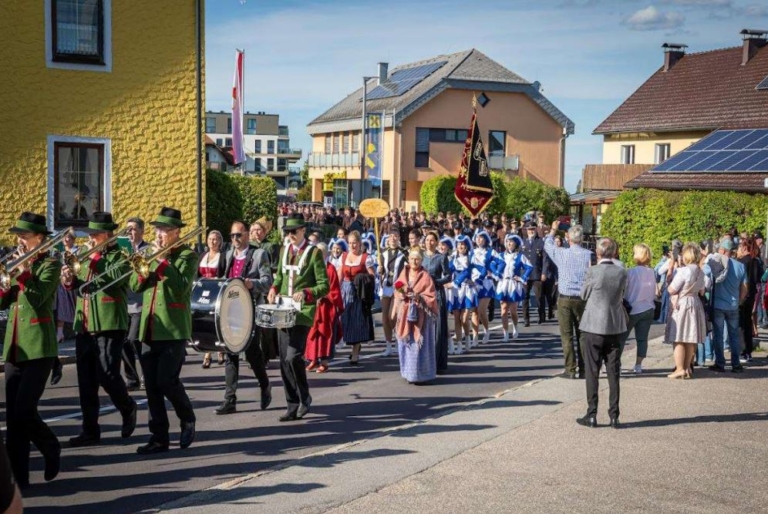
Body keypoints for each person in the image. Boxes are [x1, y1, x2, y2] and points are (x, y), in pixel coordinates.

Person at [0, 212, 62, 487]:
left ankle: (50, 445)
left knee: (25, 410)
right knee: (14, 418)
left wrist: (24, 271)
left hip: (39, 346)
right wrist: (4, 286)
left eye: (24, 236)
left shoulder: (51, 264)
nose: (19, 241)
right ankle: (18, 478)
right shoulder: (15, 264)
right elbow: (4, 303)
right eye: (18, 236)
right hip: (15, 347)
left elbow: (38, 299)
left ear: (39, 238)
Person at [66, 212, 138, 448]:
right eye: (90, 234)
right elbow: (80, 285)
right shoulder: (85, 256)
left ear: (108, 235)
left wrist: (95, 258)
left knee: (107, 375)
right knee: (86, 381)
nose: (91, 238)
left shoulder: (121, 256)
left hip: (109, 323)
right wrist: (69, 280)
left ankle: (127, 406)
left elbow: (115, 279)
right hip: (85, 323)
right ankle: (90, 430)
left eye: (95, 234)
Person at [129, 207, 197, 454]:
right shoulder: (148, 253)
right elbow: (134, 285)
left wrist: (161, 261)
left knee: (166, 381)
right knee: (151, 387)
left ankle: (187, 417)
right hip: (149, 327)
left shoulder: (188, 256)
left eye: (165, 230)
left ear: (177, 232)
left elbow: (180, 287)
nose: (159, 234)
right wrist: (143, 270)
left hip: (173, 329)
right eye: (157, 229)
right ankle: (159, 437)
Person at [267, 214, 329, 421]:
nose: (290, 235)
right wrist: (274, 288)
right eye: (287, 232)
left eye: (294, 231)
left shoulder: (314, 253)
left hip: (303, 312)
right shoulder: (284, 250)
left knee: (293, 356)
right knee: (284, 360)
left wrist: (307, 292)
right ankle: (292, 404)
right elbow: (279, 277)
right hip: (283, 309)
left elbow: (324, 285)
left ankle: (304, 396)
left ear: (303, 230)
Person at [215, 221, 273, 415]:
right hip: (230, 311)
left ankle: (264, 385)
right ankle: (229, 399)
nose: (235, 239)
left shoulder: (259, 254)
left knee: (252, 353)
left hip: (250, 310)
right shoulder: (227, 255)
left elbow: (267, 282)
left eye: (239, 235)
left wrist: (251, 284)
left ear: (247, 235)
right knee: (230, 352)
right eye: (232, 236)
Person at [577, 238, 626, 429]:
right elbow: (623, 294)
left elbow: (583, 294)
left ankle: (591, 414)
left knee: (592, 371)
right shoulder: (621, 272)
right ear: (614, 253)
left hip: (593, 325)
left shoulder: (594, 271)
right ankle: (614, 416)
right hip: (614, 325)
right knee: (613, 371)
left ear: (598, 253)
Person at [543, 222, 592, 379]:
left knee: (566, 335)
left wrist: (553, 230)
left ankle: (570, 369)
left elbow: (547, 244)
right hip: (583, 298)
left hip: (565, 298)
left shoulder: (562, 254)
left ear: (568, 239)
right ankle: (584, 369)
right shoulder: (588, 255)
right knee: (582, 334)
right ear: (581, 239)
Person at [394, 246, 439, 383]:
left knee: (420, 347)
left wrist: (419, 297)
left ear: (421, 260)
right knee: (407, 345)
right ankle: (408, 373)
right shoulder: (404, 273)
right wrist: (403, 292)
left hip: (421, 316)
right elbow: (397, 286)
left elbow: (431, 296)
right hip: (406, 313)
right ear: (408, 259)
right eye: (412, 259)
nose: (414, 262)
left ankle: (422, 374)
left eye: (417, 259)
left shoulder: (425, 276)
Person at [665, 243, 707, 379]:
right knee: (690, 338)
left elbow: (671, 289)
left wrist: (669, 280)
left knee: (678, 338)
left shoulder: (683, 271)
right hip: (695, 303)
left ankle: (679, 368)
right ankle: (688, 366)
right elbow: (702, 291)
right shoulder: (701, 272)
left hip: (683, 304)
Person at [708, 238, 747, 373]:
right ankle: (736, 364)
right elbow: (744, 287)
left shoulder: (716, 263)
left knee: (718, 335)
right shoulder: (740, 266)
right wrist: (739, 301)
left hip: (718, 305)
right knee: (734, 336)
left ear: (723, 250)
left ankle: (720, 363)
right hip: (733, 305)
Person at [339, 231, 376, 365]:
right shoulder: (344, 256)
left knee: (357, 321)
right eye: (350, 243)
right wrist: (335, 290)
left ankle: (355, 350)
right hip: (346, 292)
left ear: (360, 243)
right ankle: (354, 345)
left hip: (359, 293)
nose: (352, 245)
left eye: (354, 243)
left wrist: (362, 278)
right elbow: (340, 276)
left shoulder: (366, 258)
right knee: (347, 321)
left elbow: (372, 276)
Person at [306, 242, 343, 373]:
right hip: (313, 306)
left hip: (326, 308)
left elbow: (334, 291)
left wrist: (322, 296)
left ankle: (324, 362)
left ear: (327, 253)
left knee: (324, 334)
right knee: (312, 334)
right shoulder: (312, 267)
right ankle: (313, 359)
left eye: (322, 252)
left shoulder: (330, 269)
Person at [122, 217, 150, 390]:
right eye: (127, 230)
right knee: (123, 342)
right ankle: (131, 379)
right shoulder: (122, 251)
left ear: (141, 231)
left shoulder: (148, 250)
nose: (129, 233)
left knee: (134, 339)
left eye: (132, 229)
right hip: (124, 302)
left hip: (140, 302)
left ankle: (147, 372)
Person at [621, 244, 657, 374]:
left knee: (622, 337)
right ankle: (638, 365)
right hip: (648, 307)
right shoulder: (652, 272)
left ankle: (617, 363)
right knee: (642, 339)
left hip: (632, 308)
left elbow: (624, 288)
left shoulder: (631, 272)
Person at [52, 229, 79, 386]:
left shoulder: (77, 251)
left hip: (74, 283)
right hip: (62, 284)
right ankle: (60, 331)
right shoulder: (59, 253)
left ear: (73, 239)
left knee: (75, 305)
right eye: (64, 237)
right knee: (61, 301)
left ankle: (76, 327)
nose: (66, 240)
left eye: (68, 237)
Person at [421, 231, 451, 374]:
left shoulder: (441, 257)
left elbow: (448, 276)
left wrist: (436, 282)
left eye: (432, 240)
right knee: (424, 328)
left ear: (436, 242)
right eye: (427, 240)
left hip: (437, 294)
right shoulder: (421, 257)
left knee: (438, 329)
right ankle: (424, 361)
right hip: (423, 295)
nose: (429, 243)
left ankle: (438, 362)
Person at [495, 234, 532, 341]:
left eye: (511, 241)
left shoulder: (520, 256)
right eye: (507, 241)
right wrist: (495, 273)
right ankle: (505, 333)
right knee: (503, 309)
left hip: (513, 284)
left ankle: (515, 327)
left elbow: (529, 267)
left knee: (513, 311)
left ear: (515, 244)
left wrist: (522, 278)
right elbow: (491, 265)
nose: (509, 243)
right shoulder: (500, 255)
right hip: (503, 283)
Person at [197, 229, 225, 369]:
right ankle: (209, 350)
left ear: (220, 242)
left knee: (217, 322)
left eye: (215, 239)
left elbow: (224, 274)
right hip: (203, 292)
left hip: (216, 292)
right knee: (205, 321)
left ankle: (215, 352)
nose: (212, 242)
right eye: (210, 239)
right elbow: (197, 274)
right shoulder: (203, 255)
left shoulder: (223, 256)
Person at [378, 229, 407, 357]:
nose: (393, 239)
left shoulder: (403, 253)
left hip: (398, 287)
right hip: (385, 286)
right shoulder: (383, 253)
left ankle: (398, 338)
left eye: (395, 236)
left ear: (399, 238)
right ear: (388, 238)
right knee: (385, 317)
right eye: (391, 236)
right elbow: (381, 271)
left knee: (392, 316)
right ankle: (388, 345)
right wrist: (379, 269)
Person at [448, 235, 477, 355]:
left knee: (464, 319)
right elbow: (447, 271)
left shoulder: (471, 258)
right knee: (457, 319)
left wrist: (476, 280)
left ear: (467, 246)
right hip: (455, 291)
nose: (460, 246)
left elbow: (481, 270)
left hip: (467, 290)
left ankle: (467, 339)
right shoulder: (452, 258)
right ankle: (459, 344)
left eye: (463, 244)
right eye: (459, 244)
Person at [470, 231, 497, 345]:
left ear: (485, 239)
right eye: (477, 238)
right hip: (474, 283)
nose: (479, 240)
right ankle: (475, 336)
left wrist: (494, 272)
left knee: (481, 310)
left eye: (481, 238)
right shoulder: (471, 252)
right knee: (475, 311)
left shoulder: (491, 252)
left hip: (486, 284)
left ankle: (486, 331)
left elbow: (500, 264)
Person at [521, 222, 549, 327]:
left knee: (539, 297)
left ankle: (541, 315)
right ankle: (526, 319)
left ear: (536, 229)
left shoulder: (541, 242)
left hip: (537, 273)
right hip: (525, 274)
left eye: (532, 229)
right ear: (526, 230)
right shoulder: (522, 242)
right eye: (529, 229)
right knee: (525, 297)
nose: (531, 231)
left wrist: (544, 273)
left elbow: (545, 259)